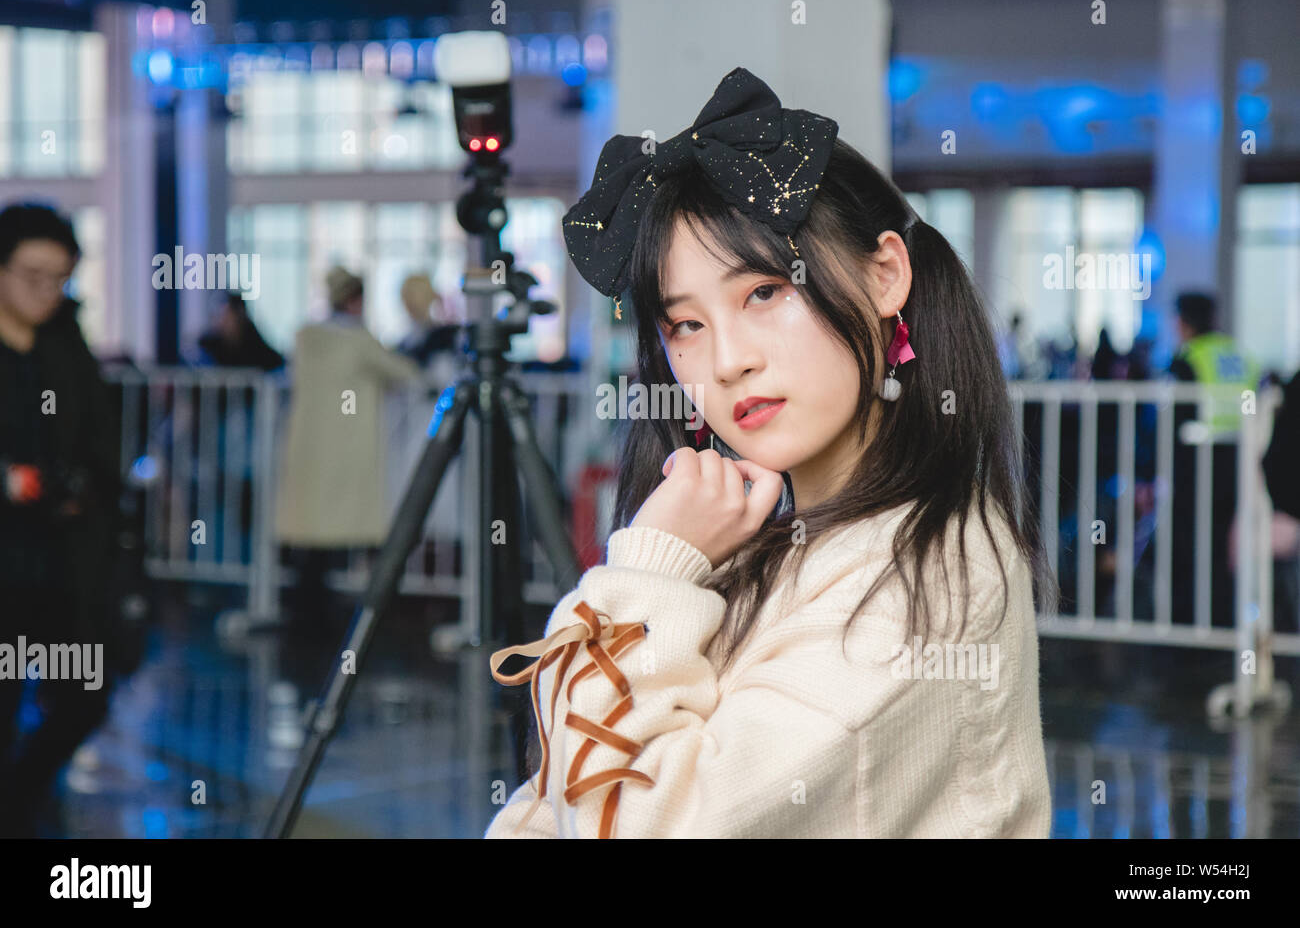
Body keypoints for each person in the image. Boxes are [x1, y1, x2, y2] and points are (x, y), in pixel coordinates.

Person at [484, 67, 1056, 838]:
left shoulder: (936, 574)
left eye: (763, 292)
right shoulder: (760, 539)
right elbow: (550, 806)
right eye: (685, 325)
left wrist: (652, 565)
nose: (726, 362)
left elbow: (635, 822)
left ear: (885, 274)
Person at [0, 203, 121, 836]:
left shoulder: (65, 343)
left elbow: (101, 440)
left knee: (82, 699)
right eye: (31, 275)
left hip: (61, 562)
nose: (46, 292)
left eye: (59, 277)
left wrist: (82, 485)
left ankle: (21, 803)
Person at [274, 265, 419, 687]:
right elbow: (405, 373)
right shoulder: (358, 342)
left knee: (310, 546)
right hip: (346, 457)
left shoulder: (306, 338)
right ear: (356, 301)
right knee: (355, 538)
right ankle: (361, 624)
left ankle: (303, 620)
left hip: (308, 452)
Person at [1167, 290, 1259, 627]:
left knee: (1191, 544)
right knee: (1225, 543)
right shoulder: (1236, 354)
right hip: (1238, 461)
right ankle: (1223, 618)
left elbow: (1176, 420)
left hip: (1198, 463)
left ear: (1185, 322)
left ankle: (1190, 621)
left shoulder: (1188, 358)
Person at [197, 292, 285, 371]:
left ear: (240, 316)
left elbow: (274, 360)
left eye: (228, 316)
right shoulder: (208, 343)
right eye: (220, 316)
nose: (222, 321)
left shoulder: (253, 340)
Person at [393, 273, 459, 369]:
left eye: (412, 296)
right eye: (405, 296)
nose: (408, 302)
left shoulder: (443, 337)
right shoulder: (405, 342)